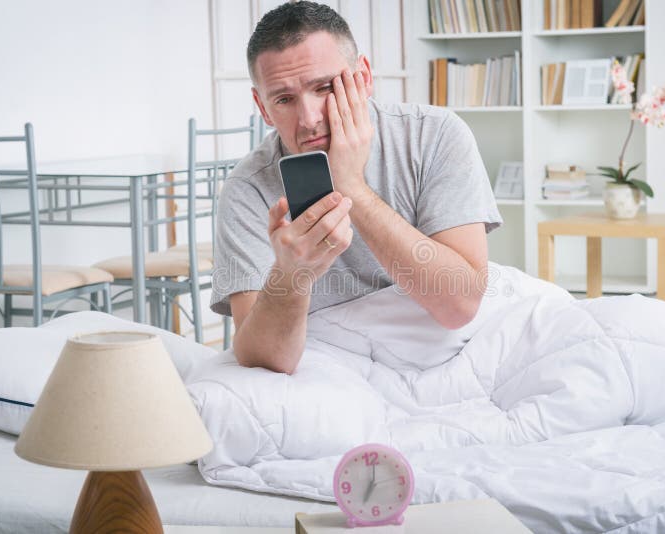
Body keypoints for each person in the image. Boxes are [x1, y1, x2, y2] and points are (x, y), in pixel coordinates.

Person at [210, 1, 502, 374]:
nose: (310, 119)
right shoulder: (247, 189)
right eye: (284, 99)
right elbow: (263, 360)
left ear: (362, 77)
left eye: (325, 87)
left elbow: (459, 305)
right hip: (337, 372)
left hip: (446, 354)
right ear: (262, 107)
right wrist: (290, 275)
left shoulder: (434, 135)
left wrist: (353, 188)